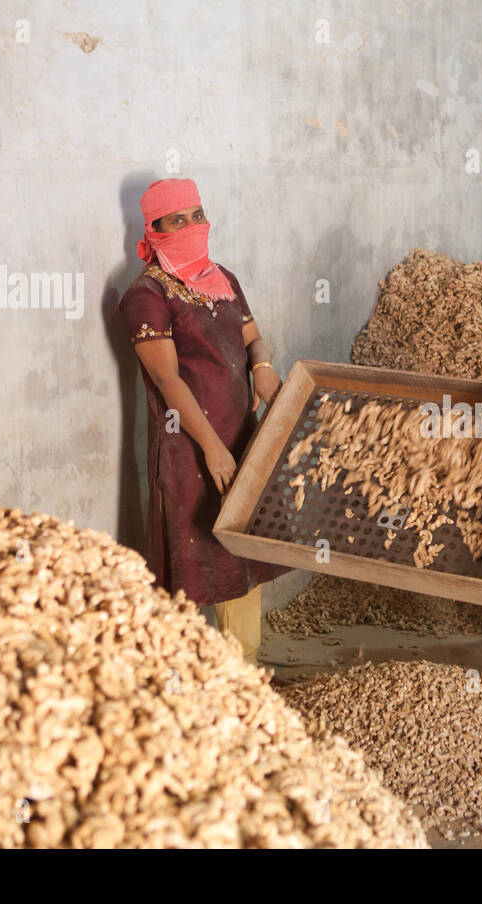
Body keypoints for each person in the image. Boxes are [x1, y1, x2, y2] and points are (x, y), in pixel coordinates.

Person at [118, 178, 286, 661]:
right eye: (178, 219)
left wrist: (264, 368)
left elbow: (253, 336)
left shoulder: (223, 277)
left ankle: (243, 669)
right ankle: (180, 680)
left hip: (240, 432)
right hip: (187, 444)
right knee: (189, 558)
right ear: (154, 229)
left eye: (198, 214)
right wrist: (211, 447)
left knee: (242, 551)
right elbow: (169, 380)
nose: (193, 225)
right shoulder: (147, 294)